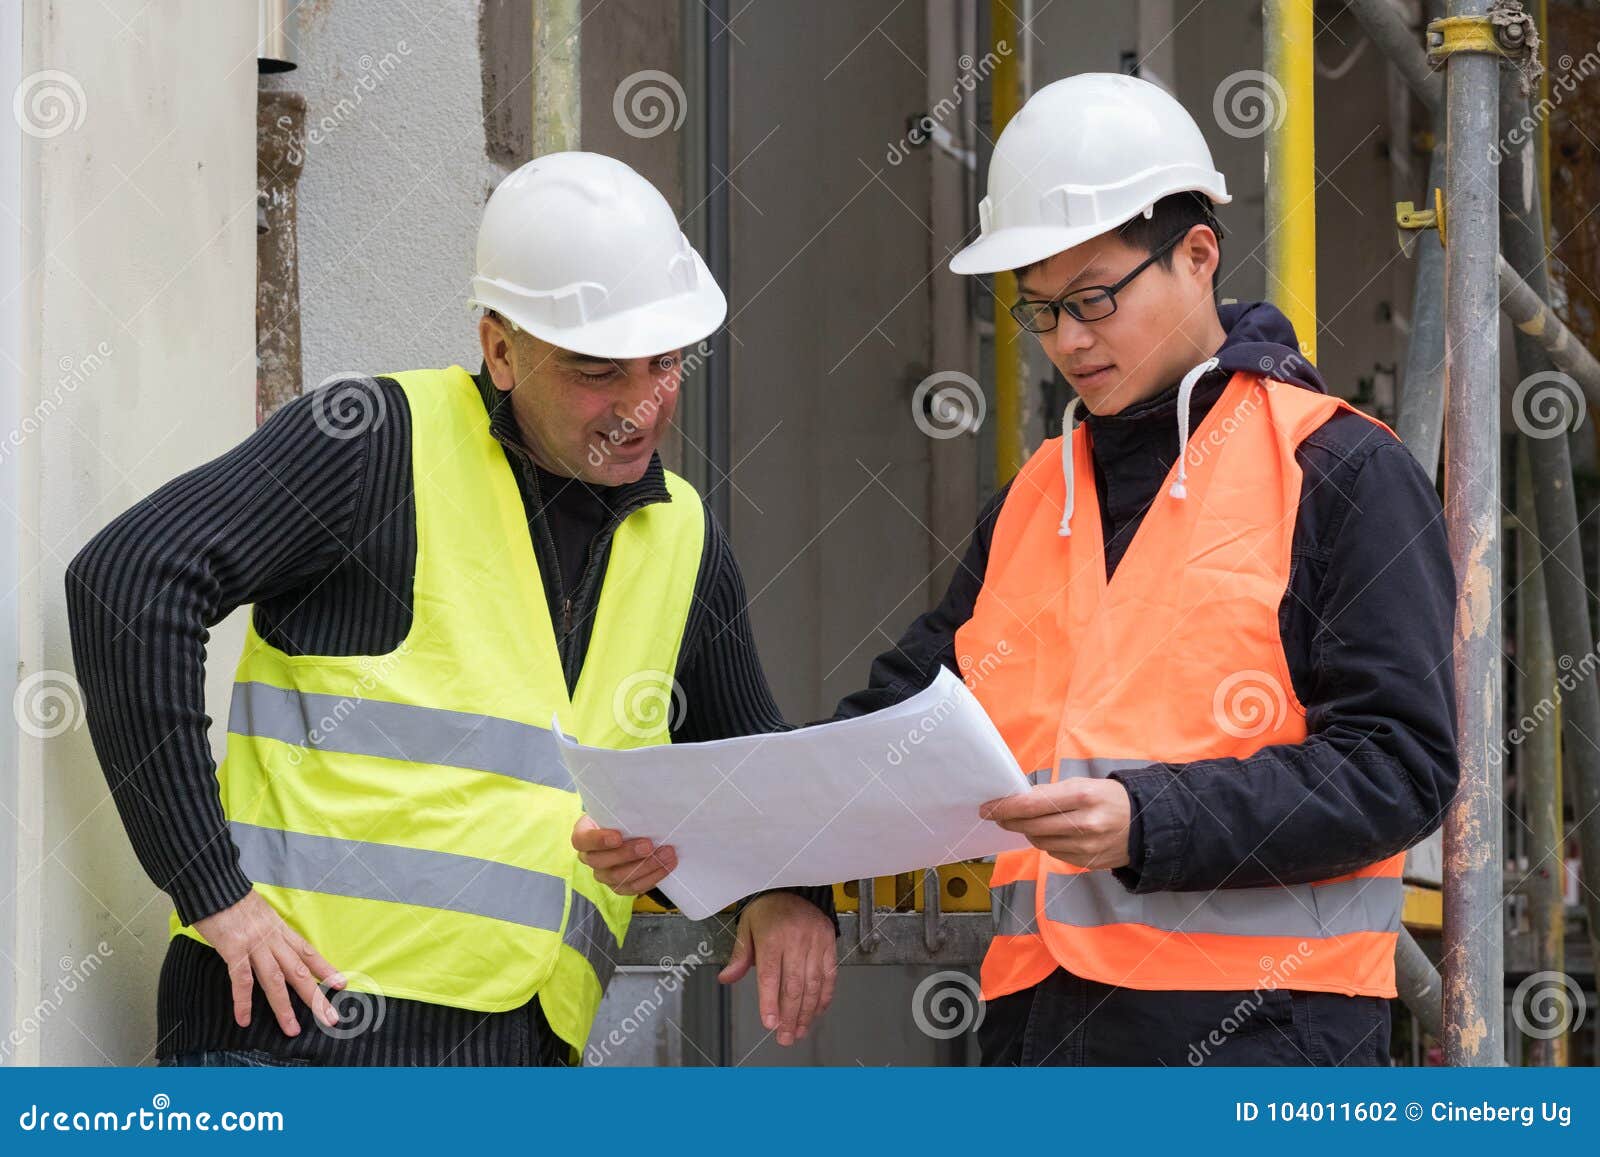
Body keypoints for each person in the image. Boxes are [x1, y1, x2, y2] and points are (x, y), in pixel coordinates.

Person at [66, 151, 835, 1066]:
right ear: (501, 349)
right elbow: (127, 585)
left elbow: (748, 763)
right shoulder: (370, 447)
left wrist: (788, 888)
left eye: (663, 364)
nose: (640, 406)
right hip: (294, 1038)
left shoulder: (684, 539)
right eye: (598, 371)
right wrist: (211, 890)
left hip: (518, 1054)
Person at [835, 73, 1458, 1066]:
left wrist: (1149, 818)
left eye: (1093, 300)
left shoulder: (1341, 470)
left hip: (1265, 1046)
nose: (1067, 342)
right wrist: (741, 846)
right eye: (1039, 312)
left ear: (1197, 257)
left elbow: (1399, 764)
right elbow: (903, 719)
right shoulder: (1038, 497)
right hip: (1039, 1041)